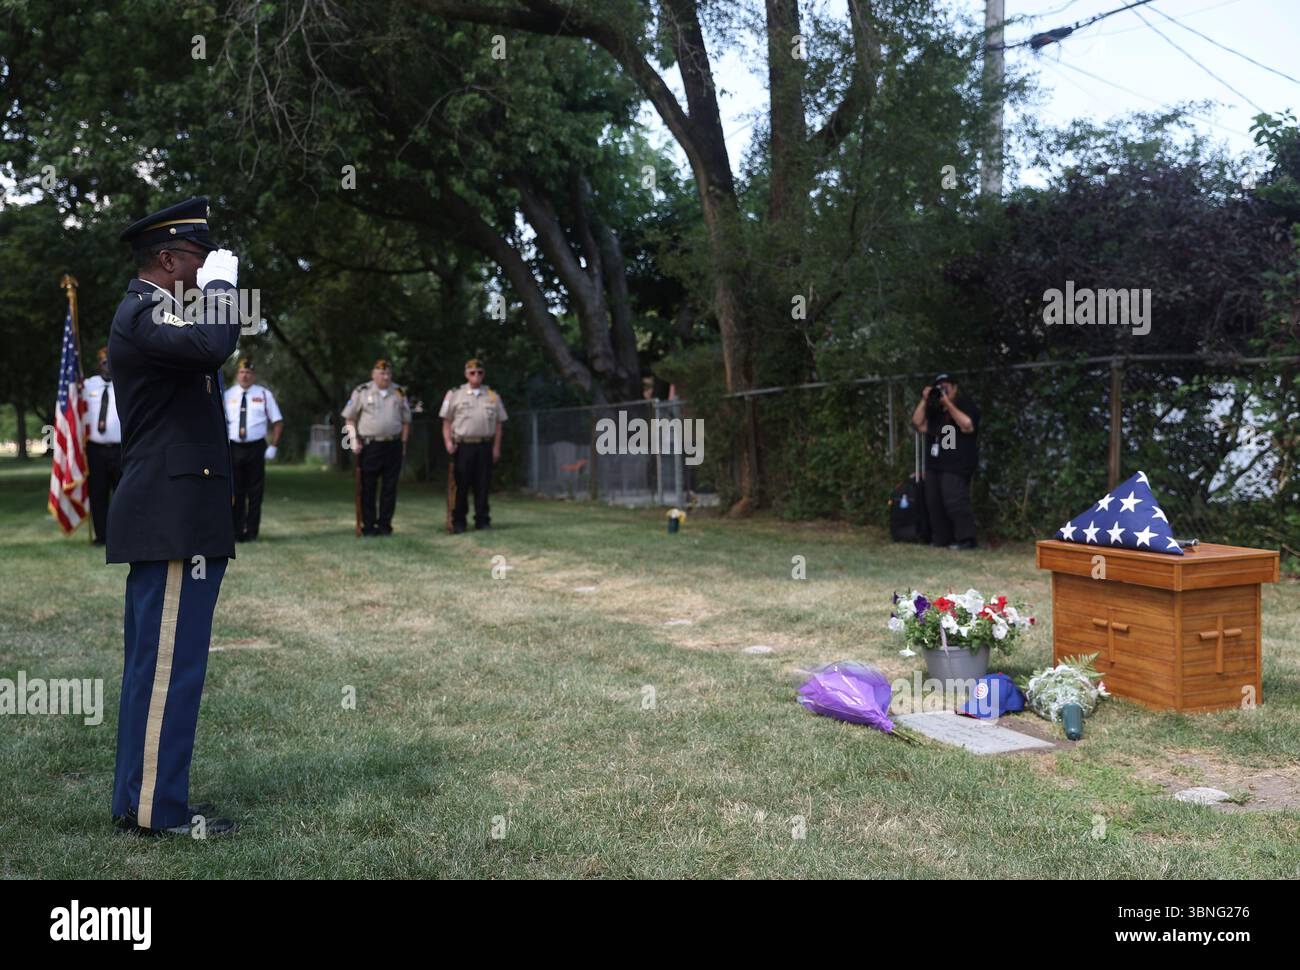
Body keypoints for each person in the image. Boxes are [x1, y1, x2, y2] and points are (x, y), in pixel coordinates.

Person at [106, 196, 242, 836]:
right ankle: (157, 813)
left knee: (159, 667)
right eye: (197, 254)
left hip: (177, 513)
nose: (206, 262)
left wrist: (209, 289)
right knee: (168, 670)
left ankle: (139, 798)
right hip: (170, 517)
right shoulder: (143, 314)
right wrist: (220, 291)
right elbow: (214, 346)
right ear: (166, 258)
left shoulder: (162, 317)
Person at [911, 372, 980, 549]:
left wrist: (948, 403)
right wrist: (925, 399)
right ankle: (941, 538)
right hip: (935, 463)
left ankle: (967, 539)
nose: (943, 390)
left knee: (954, 500)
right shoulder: (934, 409)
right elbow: (918, 423)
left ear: (955, 388)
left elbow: (967, 425)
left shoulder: (964, 405)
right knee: (933, 501)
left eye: (947, 386)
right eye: (940, 387)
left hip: (957, 464)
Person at [342, 359, 411, 536]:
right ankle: (369, 525)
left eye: (388, 373)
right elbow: (350, 418)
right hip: (370, 445)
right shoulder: (362, 391)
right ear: (373, 374)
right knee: (368, 486)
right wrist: (352, 440)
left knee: (390, 487)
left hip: (393, 444)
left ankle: (385, 525)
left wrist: (403, 443)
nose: (385, 377)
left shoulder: (399, 392)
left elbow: (406, 421)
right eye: (381, 373)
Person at [441, 358, 507, 532]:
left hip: (484, 446)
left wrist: (496, 447)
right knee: (460, 486)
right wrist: (448, 442)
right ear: (466, 374)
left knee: (483, 485)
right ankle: (458, 521)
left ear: (483, 374)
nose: (476, 375)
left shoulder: (492, 395)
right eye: (472, 372)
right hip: (462, 447)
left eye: (479, 372)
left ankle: (482, 520)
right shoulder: (455, 394)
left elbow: (499, 424)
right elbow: (447, 422)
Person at [223, 357, 283, 542]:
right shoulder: (228, 395)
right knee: (236, 491)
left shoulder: (264, 394)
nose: (245, 375)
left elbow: (278, 421)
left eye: (248, 372)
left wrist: (273, 445)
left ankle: (252, 532)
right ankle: (236, 531)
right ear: (237, 374)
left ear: (254, 375)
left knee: (255, 492)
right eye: (242, 372)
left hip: (256, 447)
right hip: (234, 447)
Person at [83, 347, 122, 546]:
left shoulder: (126, 384)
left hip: (120, 450)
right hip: (96, 450)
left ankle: (124, 536)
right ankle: (102, 536)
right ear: (98, 364)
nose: (107, 365)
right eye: (103, 361)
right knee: (98, 494)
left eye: (110, 361)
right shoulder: (89, 385)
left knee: (123, 494)